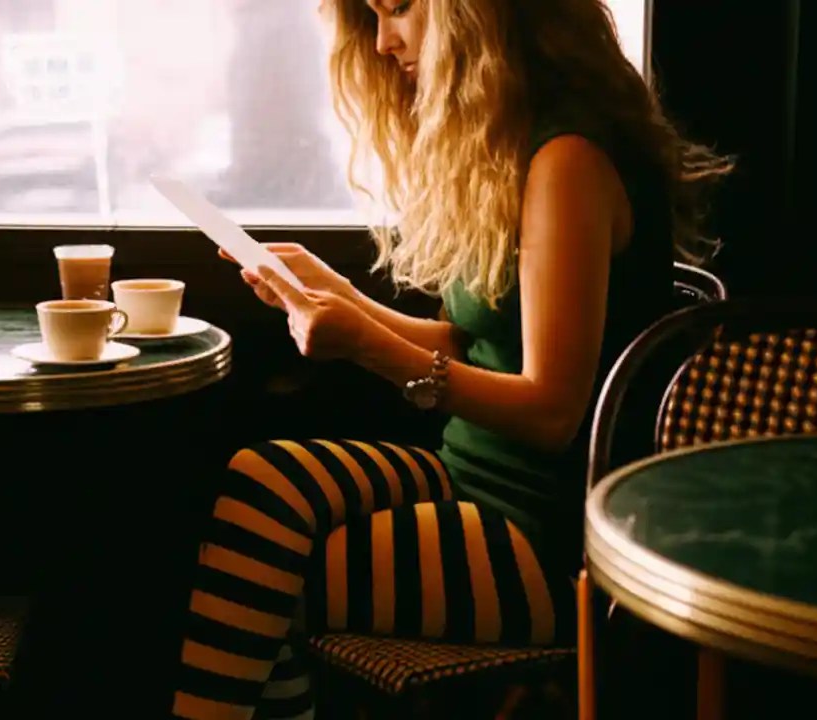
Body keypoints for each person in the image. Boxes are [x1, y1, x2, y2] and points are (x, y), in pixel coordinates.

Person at [172, 1, 732, 717]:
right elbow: (467, 349)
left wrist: (364, 345)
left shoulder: (567, 160)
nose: (382, 43)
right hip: (472, 477)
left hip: (553, 538)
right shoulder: (508, 142)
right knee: (261, 483)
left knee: (259, 567)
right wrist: (338, 293)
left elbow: (551, 412)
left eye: (400, 8)